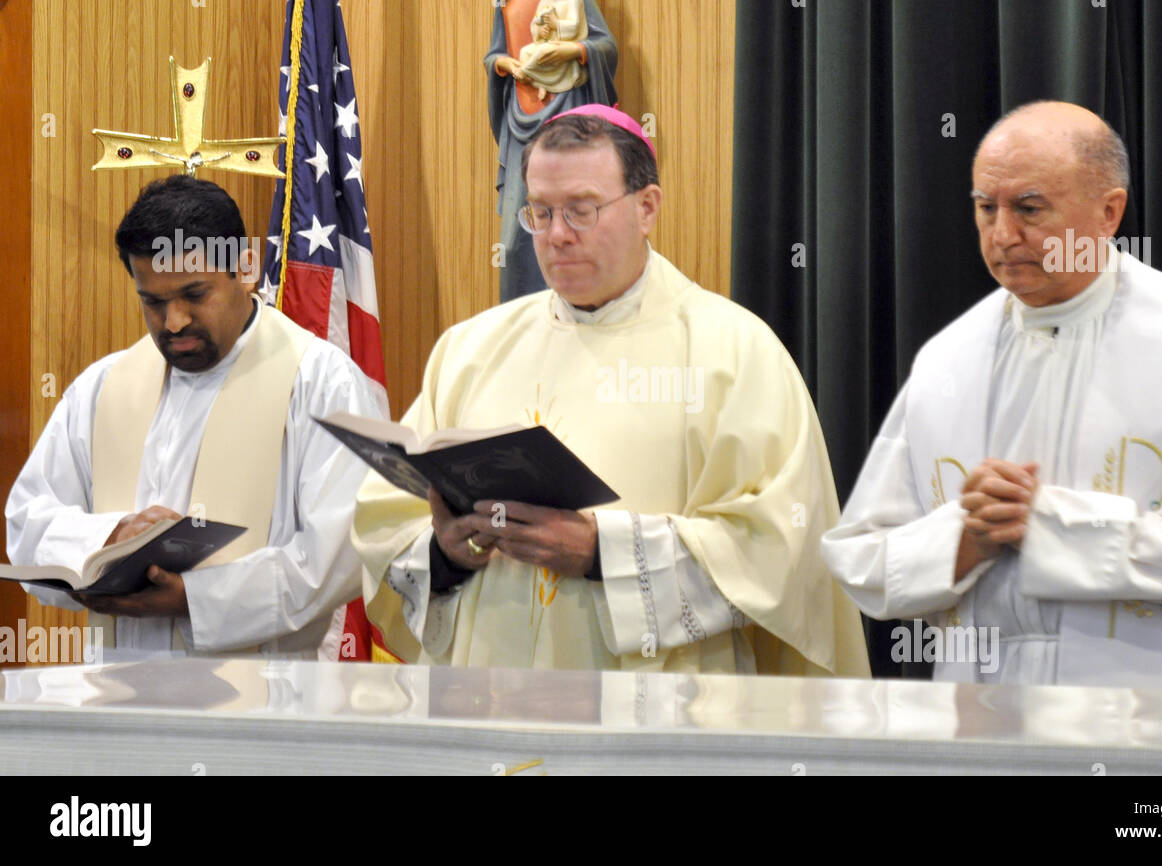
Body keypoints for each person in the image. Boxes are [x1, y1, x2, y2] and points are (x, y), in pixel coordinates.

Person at [353, 106, 870, 677]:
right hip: (487, 702)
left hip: (656, 722)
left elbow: (781, 549)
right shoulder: (470, 350)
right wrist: (446, 553)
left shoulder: (734, 352)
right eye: (540, 212)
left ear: (647, 207)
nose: (556, 236)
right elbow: (383, 526)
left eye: (581, 210)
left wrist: (602, 552)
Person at [822, 101, 1162, 692]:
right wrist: (967, 538)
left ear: (1108, 211)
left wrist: (1056, 526)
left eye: (1028, 209)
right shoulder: (948, 358)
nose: (1002, 235)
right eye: (985, 208)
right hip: (989, 701)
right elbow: (863, 562)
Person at [5, 175, 383, 660]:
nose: (174, 321)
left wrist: (198, 600)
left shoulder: (319, 383)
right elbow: (28, 521)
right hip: (120, 708)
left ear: (244, 270)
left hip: (264, 711)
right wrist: (110, 538)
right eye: (154, 302)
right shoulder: (103, 389)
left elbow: (340, 553)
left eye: (194, 294)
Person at [486, 0, 617, 303]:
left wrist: (574, 51)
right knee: (514, 241)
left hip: (567, 116)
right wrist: (505, 65)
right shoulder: (504, 3)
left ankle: (573, 313)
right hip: (521, 119)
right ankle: (520, 324)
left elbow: (605, 46)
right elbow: (494, 55)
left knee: (571, 222)